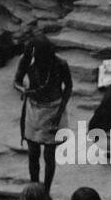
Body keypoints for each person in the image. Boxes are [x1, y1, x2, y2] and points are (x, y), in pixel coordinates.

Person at [13, 35, 73, 192]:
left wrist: (60, 112)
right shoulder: (26, 60)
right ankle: (34, 188)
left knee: (49, 154)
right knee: (33, 152)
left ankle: (45, 191)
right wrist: (24, 91)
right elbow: (16, 81)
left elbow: (68, 87)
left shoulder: (60, 64)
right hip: (33, 109)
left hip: (54, 109)